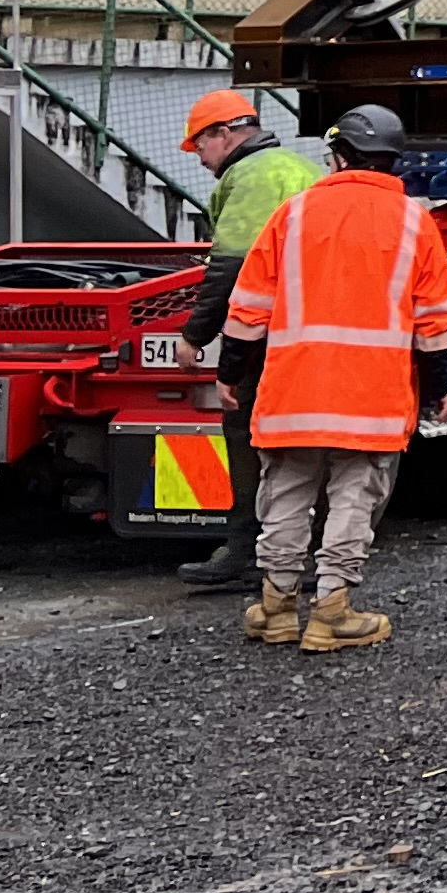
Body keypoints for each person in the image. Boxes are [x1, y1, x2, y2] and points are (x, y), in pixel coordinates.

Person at [222, 104, 447, 654]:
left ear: (339, 156)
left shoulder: (295, 214)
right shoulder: (414, 223)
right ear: (392, 163)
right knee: (353, 497)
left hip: (294, 391)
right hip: (370, 398)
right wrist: (438, 384)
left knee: (284, 494)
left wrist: (231, 371)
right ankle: (332, 610)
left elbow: (249, 303)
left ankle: (276, 607)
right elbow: (434, 318)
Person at [172, 90, 321, 592]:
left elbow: (234, 268)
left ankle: (245, 554)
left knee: (244, 438)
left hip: (268, 334)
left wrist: (196, 336)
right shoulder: (297, 168)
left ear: (224, 134)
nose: (203, 161)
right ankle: (302, 547)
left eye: (201, 148)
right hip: (308, 328)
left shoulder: (252, 176)